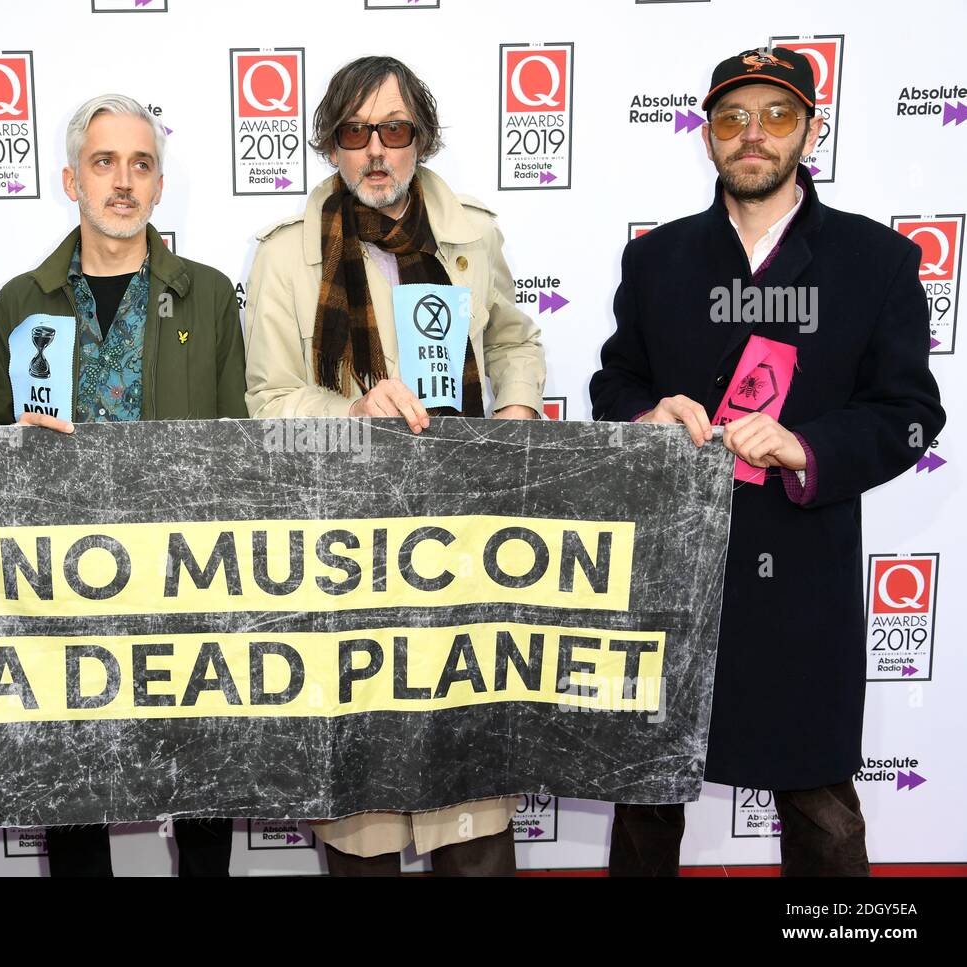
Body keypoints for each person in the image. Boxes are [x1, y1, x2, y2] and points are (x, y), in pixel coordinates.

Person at [589, 46, 945, 876]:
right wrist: (649, 411)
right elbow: (616, 377)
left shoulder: (875, 260)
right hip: (671, 572)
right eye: (733, 117)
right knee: (645, 799)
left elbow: (911, 414)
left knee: (821, 810)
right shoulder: (657, 258)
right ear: (708, 138)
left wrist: (806, 446)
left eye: (778, 116)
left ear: (811, 131)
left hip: (801, 571)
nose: (754, 135)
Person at [243, 56, 546, 875]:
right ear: (332, 146)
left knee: (472, 809)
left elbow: (513, 336)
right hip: (349, 551)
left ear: (422, 141)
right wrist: (352, 411)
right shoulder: (284, 257)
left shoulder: (473, 235)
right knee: (366, 815)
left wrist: (514, 412)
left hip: (466, 540)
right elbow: (269, 400)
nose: (376, 150)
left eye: (396, 131)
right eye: (355, 132)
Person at [0, 94, 246, 876]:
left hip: (189, 580)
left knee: (202, 782)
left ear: (159, 185)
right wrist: (6, 449)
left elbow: (242, 448)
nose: (122, 181)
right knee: (72, 786)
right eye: (104, 163)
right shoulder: (24, 302)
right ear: (71, 180)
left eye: (140, 164)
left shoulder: (209, 293)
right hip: (65, 587)